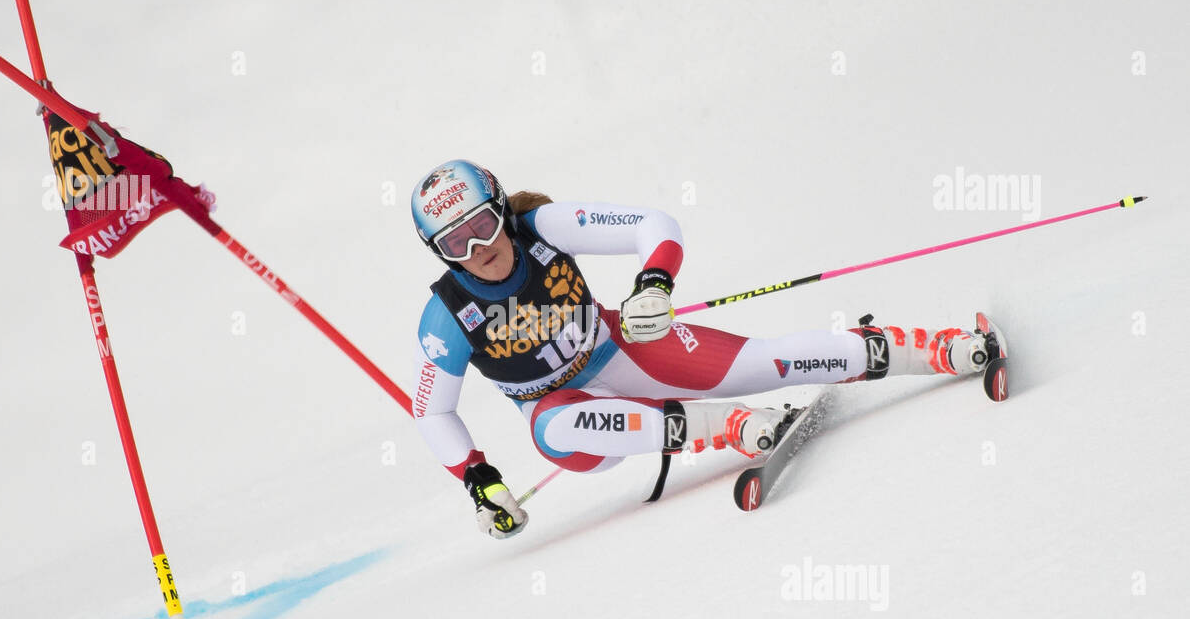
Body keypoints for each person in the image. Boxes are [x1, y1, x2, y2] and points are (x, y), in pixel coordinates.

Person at [410, 159, 992, 539]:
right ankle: (730, 426)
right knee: (556, 432)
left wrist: (655, 283)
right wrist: (479, 479)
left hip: (623, 348)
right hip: (568, 415)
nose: (478, 247)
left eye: (484, 224)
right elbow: (432, 409)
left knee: (767, 363)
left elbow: (652, 225)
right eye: (455, 242)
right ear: (438, 252)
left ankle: (934, 351)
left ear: (501, 210)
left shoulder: (543, 226)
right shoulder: (446, 316)